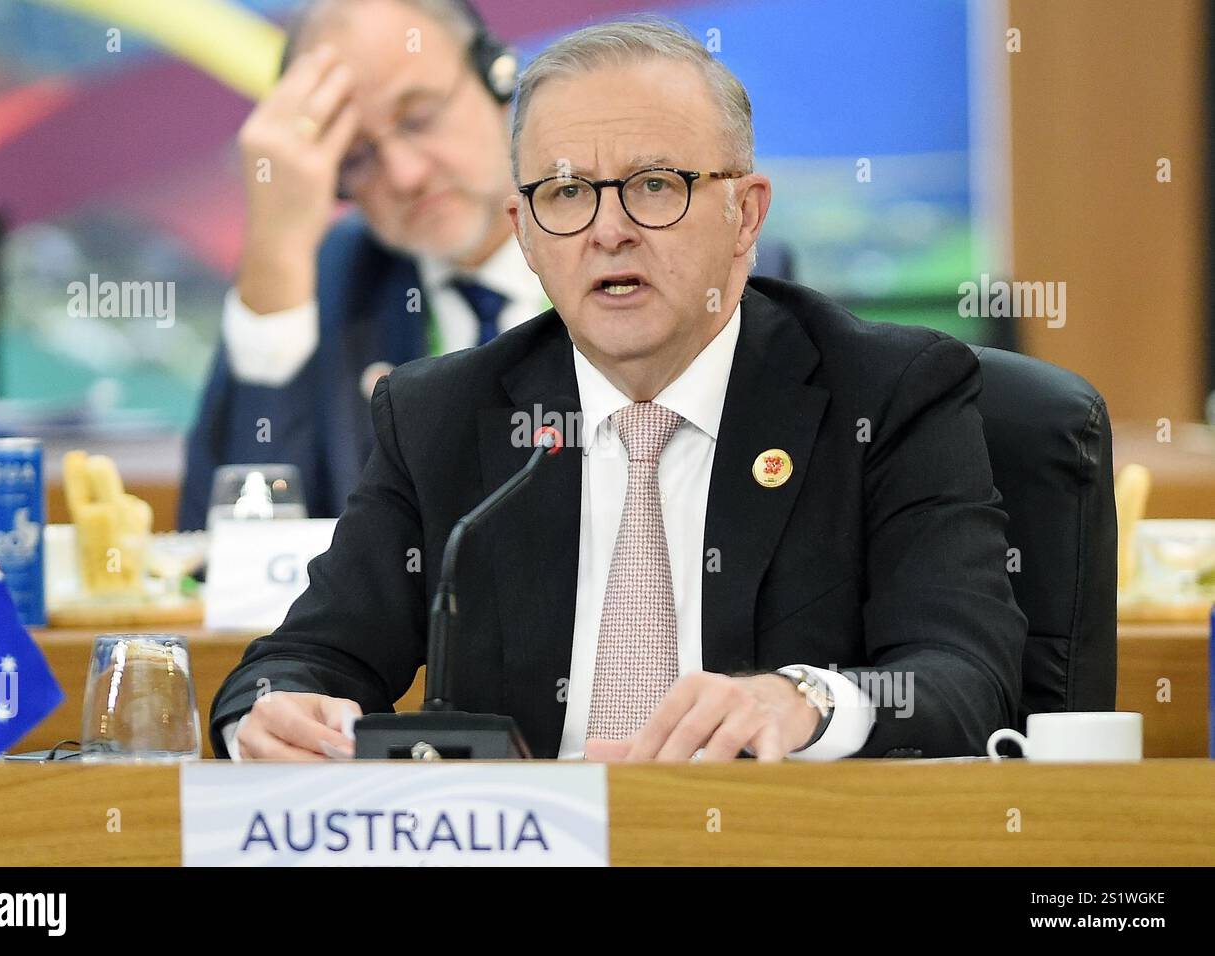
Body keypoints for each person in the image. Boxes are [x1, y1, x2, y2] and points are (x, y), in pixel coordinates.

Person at [210, 18, 1026, 762]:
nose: (608, 230)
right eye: (566, 194)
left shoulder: (886, 397)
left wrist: (802, 700)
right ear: (525, 234)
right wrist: (270, 714)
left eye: (656, 184)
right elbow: (308, 658)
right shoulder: (439, 417)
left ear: (746, 216)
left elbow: (964, 675)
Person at [178, 0, 796, 529]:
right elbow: (230, 558)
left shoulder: (695, 257)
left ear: (499, 80)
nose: (405, 174)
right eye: (357, 155)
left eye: (418, 118)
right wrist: (276, 258)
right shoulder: (332, 280)